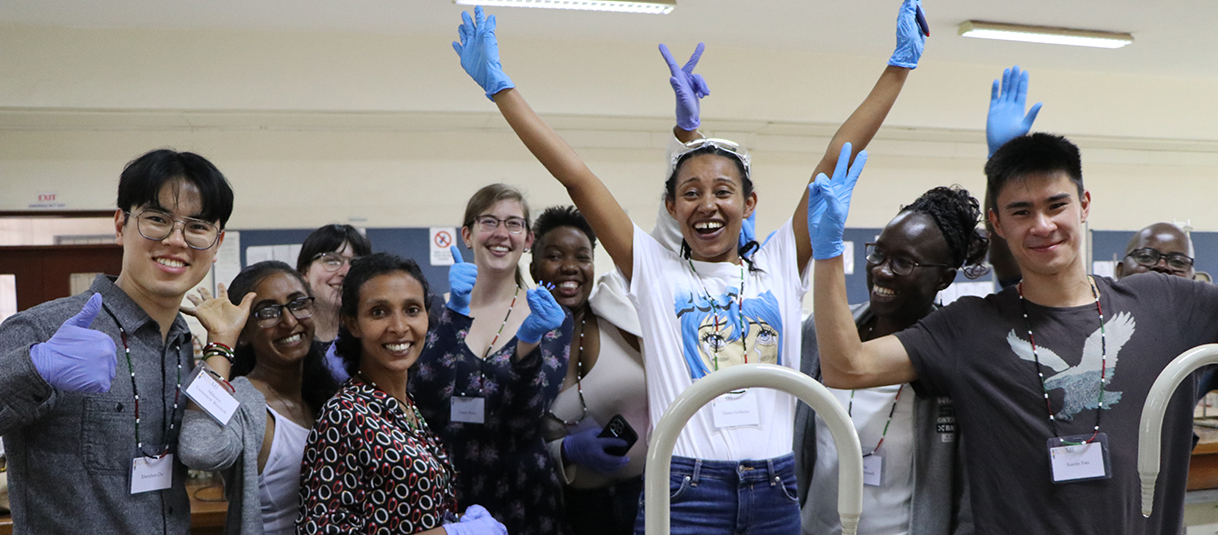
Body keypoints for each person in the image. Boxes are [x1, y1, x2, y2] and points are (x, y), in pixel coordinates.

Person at [449, 0, 926, 532]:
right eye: (691, 193)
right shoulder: (655, 272)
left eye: (723, 191)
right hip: (685, 490)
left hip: (776, 488)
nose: (707, 204)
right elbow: (577, 178)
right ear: (673, 209)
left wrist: (899, 66)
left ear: (749, 204)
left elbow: (836, 156)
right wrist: (500, 89)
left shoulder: (777, 264)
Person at [808, 132, 1218, 534]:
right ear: (997, 224)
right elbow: (848, 368)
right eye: (1021, 212)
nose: (1042, 226)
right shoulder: (968, 327)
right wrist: (827, 253)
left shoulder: (1164, 302)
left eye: (1056, 205)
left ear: (1084, 204)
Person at [0, 148, 233, 533]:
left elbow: (205, 448)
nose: (176, 240)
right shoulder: (48, 330)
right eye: (157, 219)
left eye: (197, 226)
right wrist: (34, 367)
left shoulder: (181, 342)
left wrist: (222, 344)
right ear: (120, 224)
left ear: (217, 241)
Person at [795, 186, 984, 535]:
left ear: (943, 277)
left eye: (903, 262)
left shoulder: (953, 359)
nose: (882, 271)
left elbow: (969, 492)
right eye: (878, 254)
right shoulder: (820, 335)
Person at [297, 253, 507, 535]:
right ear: (352, 323)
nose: (398, 327)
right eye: (379, 312)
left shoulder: (406, 406)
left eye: (411, 310)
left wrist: (456, 522)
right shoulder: (345, 415)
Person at [409, 184, 572, 535]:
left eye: (514, 224)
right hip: (446, 492)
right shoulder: (435, 310)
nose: (501, 234)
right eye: (489, 222)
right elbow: (423, 399)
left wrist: (528, 340)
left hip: (524, 493)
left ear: (528, 239)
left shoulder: (550, 315)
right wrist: (454, 314)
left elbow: (525, 418)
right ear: (467, 235)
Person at [178, 261, 340, 535]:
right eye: (268, 312)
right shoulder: (243, 400)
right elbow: (200, 451)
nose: (289, 321)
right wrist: (221, 339)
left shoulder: (326, 395)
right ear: (244, 333)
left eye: (298, 304)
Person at [534, 206, 648, 535]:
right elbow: (510, 438)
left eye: (582, 256)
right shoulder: (525, 343)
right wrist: (564, 450)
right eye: (554, 256)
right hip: (574, 511)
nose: (570, 266)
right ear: (533, 266)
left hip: (649, 496)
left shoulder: (622, 315)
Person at [984, 65, 1043, 288]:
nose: (1045, 226)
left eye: (1057, 205)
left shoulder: (1102, 299)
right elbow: (1003, 260)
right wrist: (1000, 160)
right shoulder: (1026, 294)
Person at [296, 224, 373, 343]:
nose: (346, 272)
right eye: (332, 261)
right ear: (305, 272)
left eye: (355, 263)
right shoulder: (289, 331)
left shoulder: (373, 336)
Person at [1114, 223, 1196, 280]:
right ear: (1120, 270)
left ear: (1193, 277)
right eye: (1146, 257)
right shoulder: (1104, 303)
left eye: (1177, 262)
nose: (1162, 265)